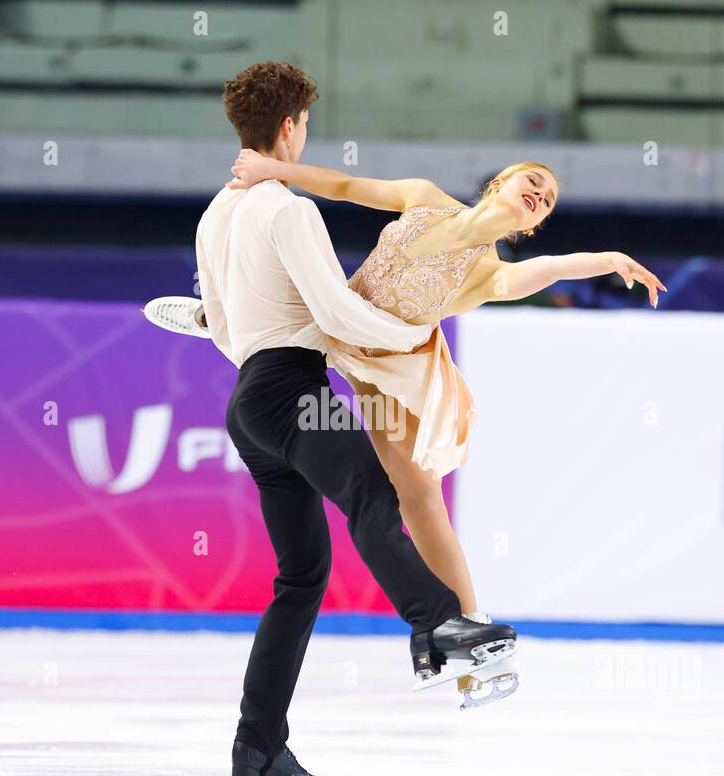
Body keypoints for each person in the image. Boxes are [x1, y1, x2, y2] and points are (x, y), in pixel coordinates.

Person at [189, 62, 517, 776]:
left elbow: (224, 327)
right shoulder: (287, 210)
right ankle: (439, 623)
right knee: (374, 491)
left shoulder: (214, 214)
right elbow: (336, 315)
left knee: (302, 578)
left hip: (250, 399)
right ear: (291, 127)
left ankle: (256, 744)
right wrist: (403, 330)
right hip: (292, 393)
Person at [221, 149, 665, 621]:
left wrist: (610, 258)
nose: (540, 194)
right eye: (534, 181)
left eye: (549, 199)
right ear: (499, 183)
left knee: (417, 497)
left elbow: (552, 268)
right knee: (293, 280)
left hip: (391, 365)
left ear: (534, 225)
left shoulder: (492, 275)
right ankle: (219, 316)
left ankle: (469, 624)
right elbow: (348, 186)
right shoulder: (424, 197)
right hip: (337, 315)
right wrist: (275, 170)